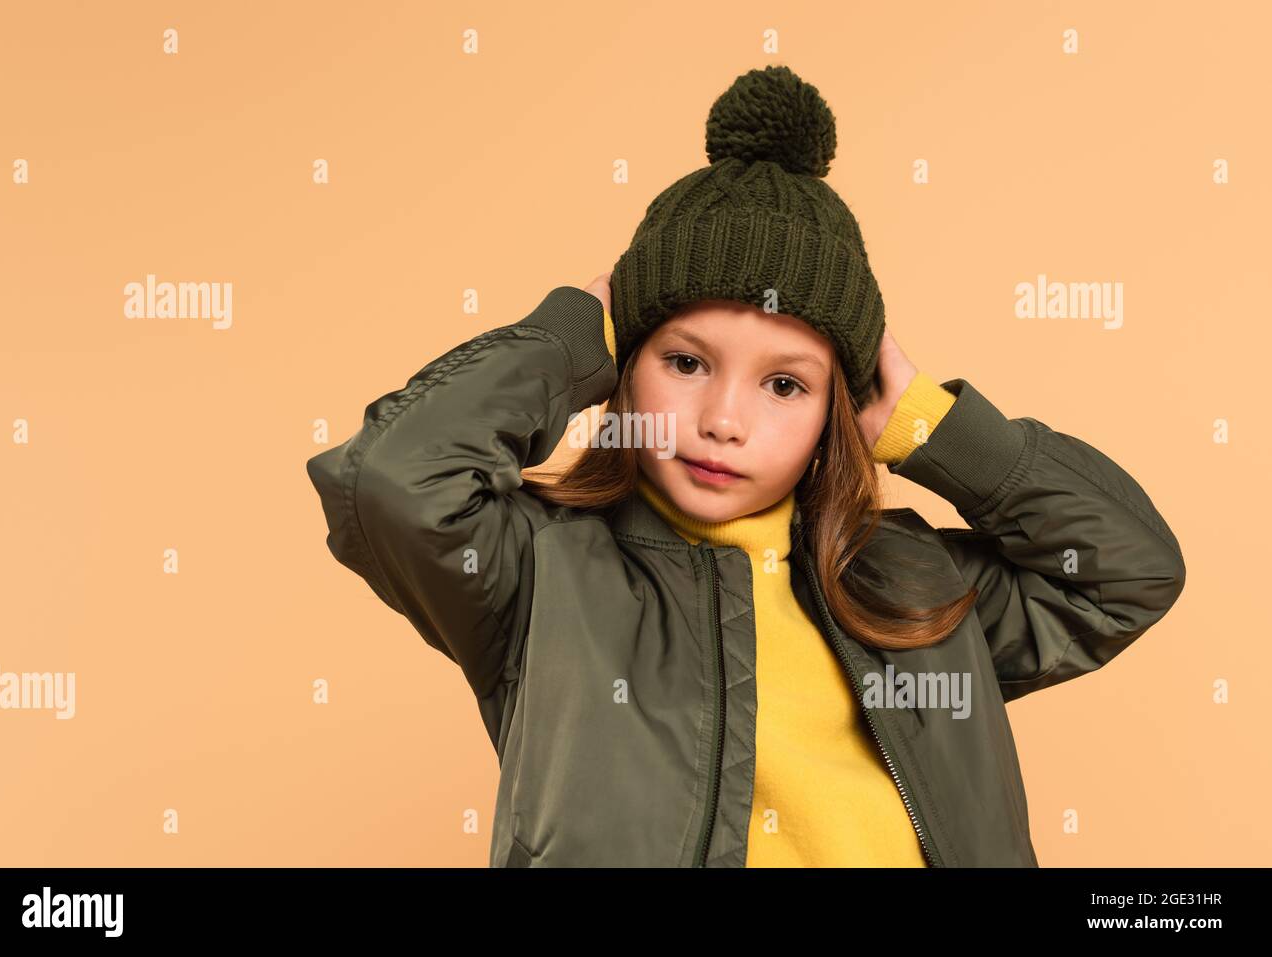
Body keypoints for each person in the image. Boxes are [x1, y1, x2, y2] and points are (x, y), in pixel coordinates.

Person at [305, 65, 1185, 867]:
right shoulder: (542, 575)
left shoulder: (910, 584)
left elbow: (1128, 572)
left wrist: (927, 423)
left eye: (784, 385)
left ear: (838, 409)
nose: (724, 421)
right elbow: (394, 478)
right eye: (685, 363)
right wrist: (568, 337)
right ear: (624, 364)